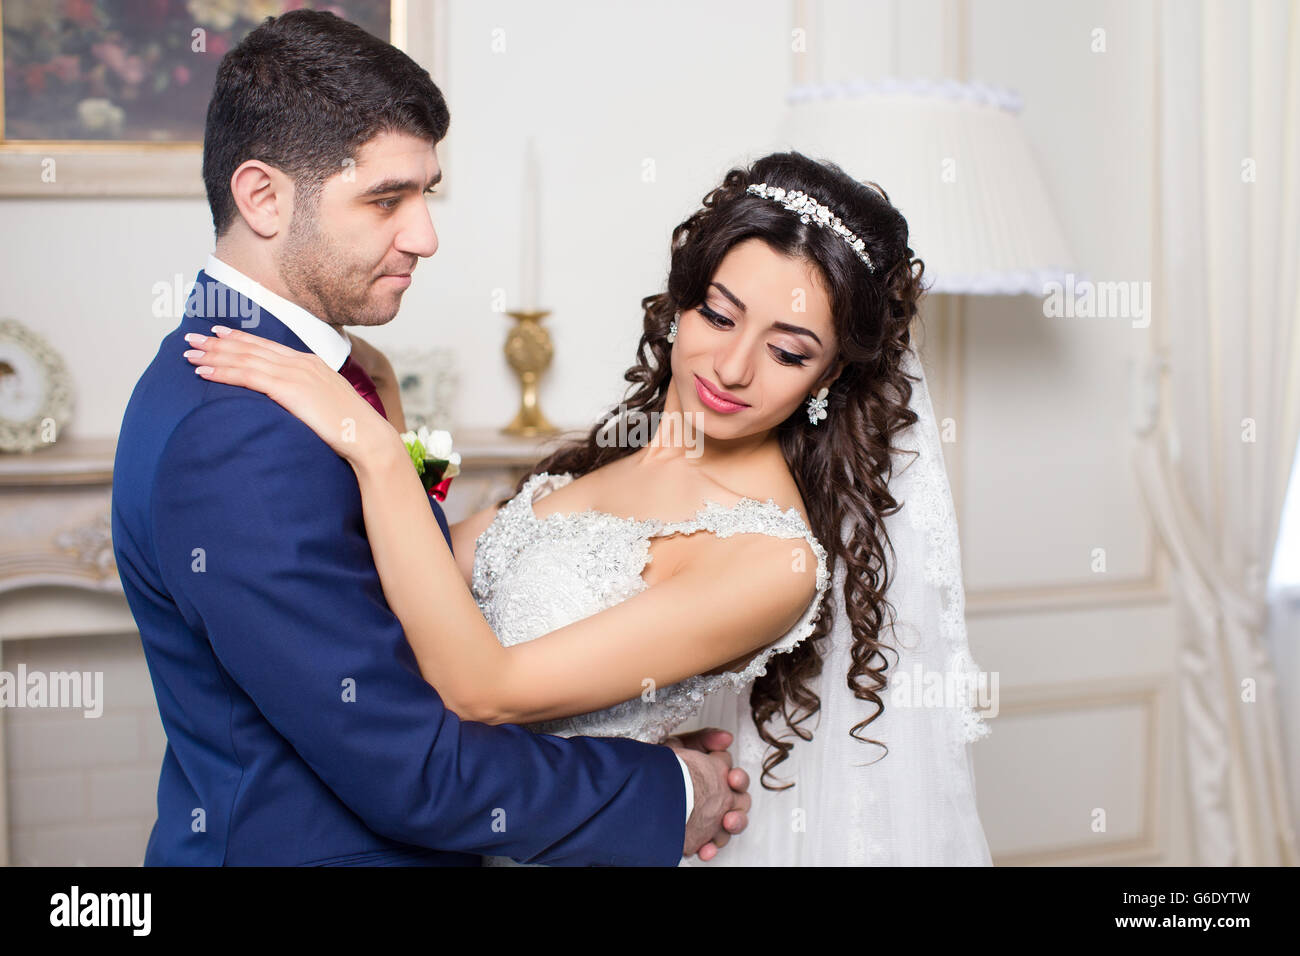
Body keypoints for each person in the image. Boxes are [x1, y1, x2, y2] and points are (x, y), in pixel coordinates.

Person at [180, 146, 994, 864]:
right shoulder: (608, 461)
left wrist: (376, 450)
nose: (734, 365)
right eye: (718, 313)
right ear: (679, 305)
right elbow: (417, 583)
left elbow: (482, 689)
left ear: (829, 379)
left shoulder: (771, 559)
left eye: (788, 350)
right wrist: (388, 406)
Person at [112, 9, 749, 867]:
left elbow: (407, 563)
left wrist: (396, 432)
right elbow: (410, 769)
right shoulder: (236, 432)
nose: (426, 235)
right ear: (262, 197)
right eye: (385, 199)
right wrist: (666, 788)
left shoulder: (323, 374)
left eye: (425, 194)